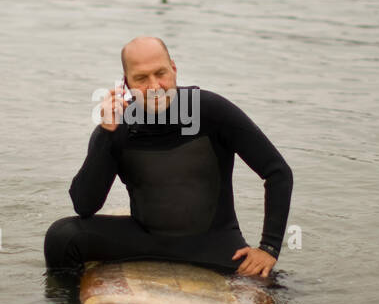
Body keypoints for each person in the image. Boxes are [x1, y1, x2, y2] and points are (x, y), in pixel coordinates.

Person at [44, 36, 293, 278]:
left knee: (279, 286)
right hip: (145, 240)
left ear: (173, 69)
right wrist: (106, 135)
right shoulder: (117, 126)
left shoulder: (211, 110)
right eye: (141, 78)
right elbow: (85, 205)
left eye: (160, 73)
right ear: (126, 84)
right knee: (62, 237)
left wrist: (268, 248)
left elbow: (277, 172)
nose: (153, 87)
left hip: (213, 245)